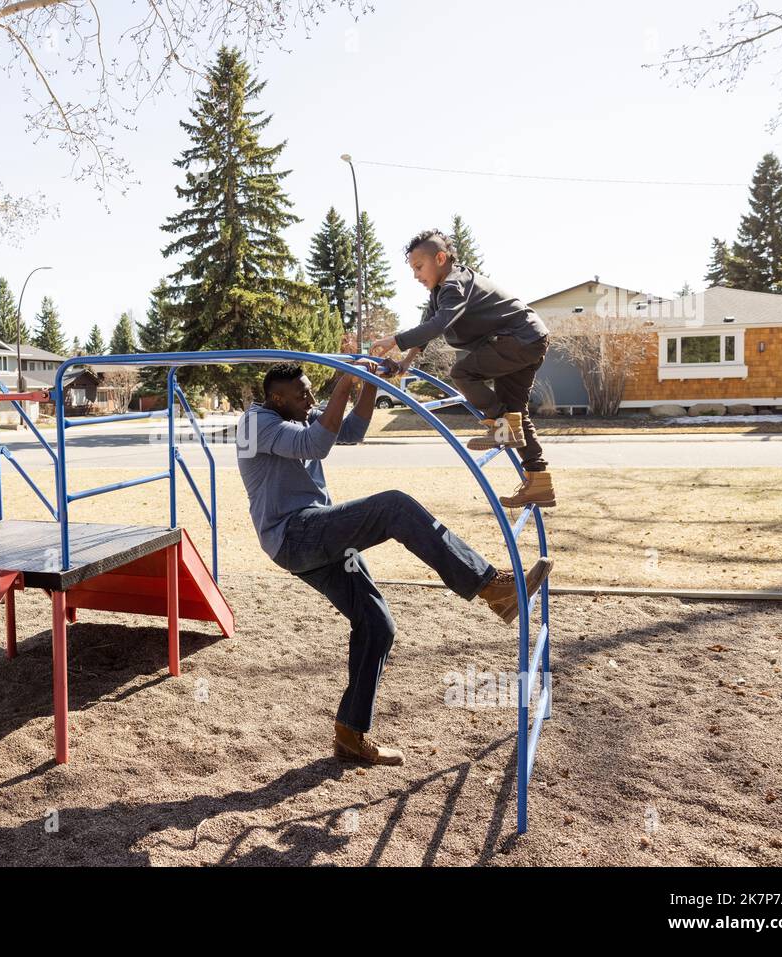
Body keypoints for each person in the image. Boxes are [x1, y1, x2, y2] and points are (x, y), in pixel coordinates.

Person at [236, 361, 553, 766]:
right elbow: (316, 444)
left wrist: (367, 385)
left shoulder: (294, 410)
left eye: (313, 392)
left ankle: (350, 734)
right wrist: (346, 380)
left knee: (376, 625)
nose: (311, 400)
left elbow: (350, 431)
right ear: (276, 398)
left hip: (316, 535)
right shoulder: (254, 425)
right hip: (295, 535)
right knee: (394, 507)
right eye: (303, 395)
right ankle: (490, 587)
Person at [371, 229, 556, 509]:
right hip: (528, 339)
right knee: (515, 413)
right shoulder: (438, 293)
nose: (416, 276)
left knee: (463, 373)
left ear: (441, 258)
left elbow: (438, 325)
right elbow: (426, 332)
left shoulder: (455, 284)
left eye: (419, 267)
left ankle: (502, 426)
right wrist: (404, 364)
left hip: (517, 339)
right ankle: (539, 482)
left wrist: (394, 340)